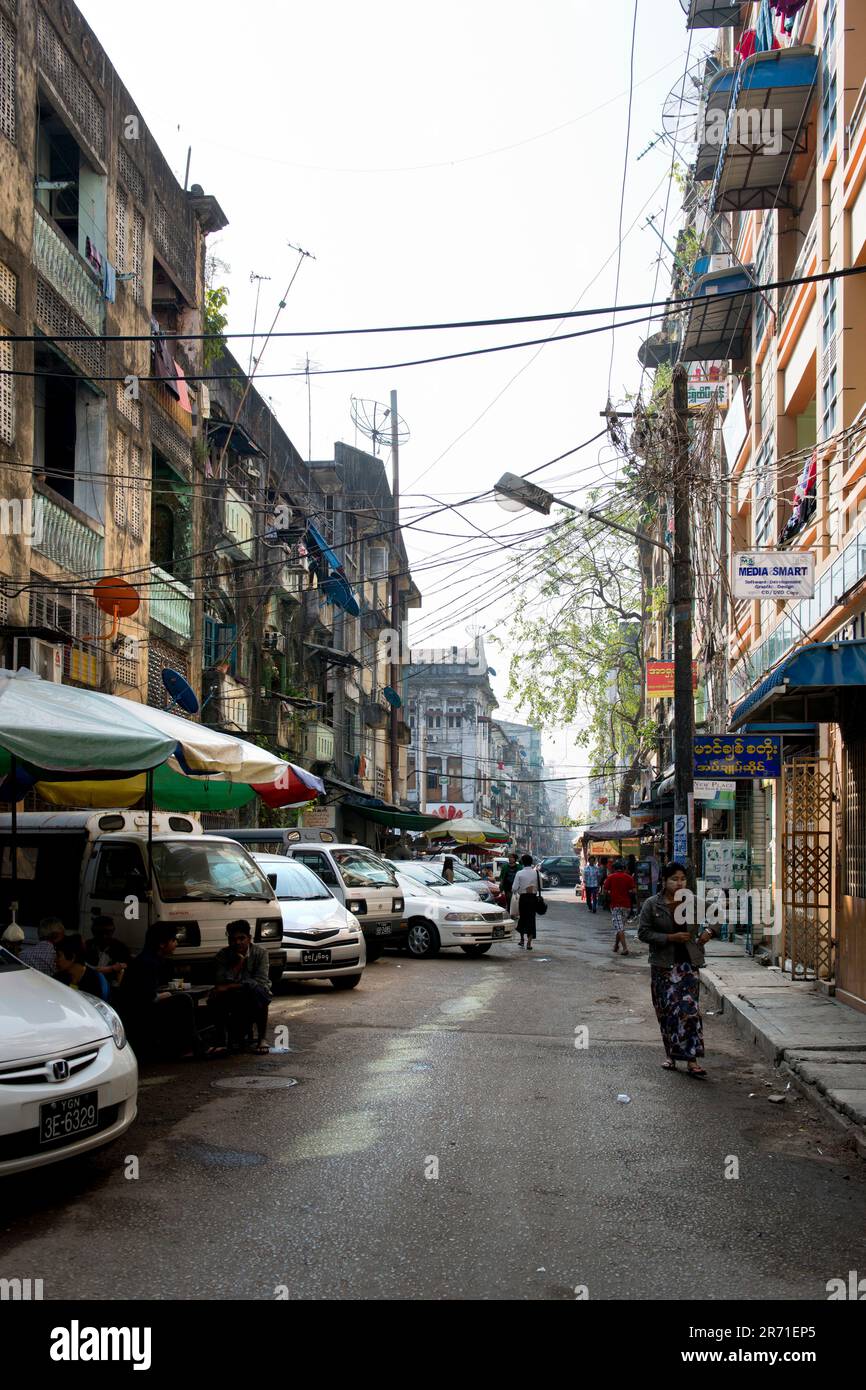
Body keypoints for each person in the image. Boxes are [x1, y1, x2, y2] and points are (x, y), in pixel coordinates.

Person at [637, 862, 716, 1078]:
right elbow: (643, 933)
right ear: (664, 880)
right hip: (663, 966)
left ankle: (692, 1060)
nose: (679, 883)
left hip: (688, 965)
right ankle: (671, 1055)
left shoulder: (693, 903)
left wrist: (708, 932)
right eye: (674, 879)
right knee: (667, 1013)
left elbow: (717, 912)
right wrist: (669, 938)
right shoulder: (652, 905)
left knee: (689, 1012)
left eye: (683, 879)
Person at [119, 923, 213, 1060]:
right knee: (183, 1000)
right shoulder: (147, 963)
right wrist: (168, 994)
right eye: (174, 940)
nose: (176, 943)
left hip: (141, 1010)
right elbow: (149, 998)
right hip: (138, 1015)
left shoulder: (150, 960)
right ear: (162, 944)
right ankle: (196, 1047)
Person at [208, 922, 272, 1054]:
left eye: (241, 938)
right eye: (233, 939)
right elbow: (220, 982)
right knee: (215, 996)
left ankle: (262, 1038)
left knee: (260, 992)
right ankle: (221, 1041)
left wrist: (230, 985)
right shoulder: (222, 955)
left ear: (249, 938)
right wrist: (239, 963)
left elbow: (259, 981)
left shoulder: (261, 953)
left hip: (253, 993)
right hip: (232, 995)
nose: (237, 942)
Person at [55, 935, 110, 1001]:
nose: (55, 960)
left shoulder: (95, 982)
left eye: (58, 956)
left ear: (72, 957)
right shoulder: (59, 977)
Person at [85, 916, 131, 990]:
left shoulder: (121, 948)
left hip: (112, 989)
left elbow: (127, 969)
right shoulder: (87, 946)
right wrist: (112, 968)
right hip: (89, 986)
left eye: (108, 933)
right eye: (100, 933)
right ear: (94, 933)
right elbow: (84, 968)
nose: (104, 936)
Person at [604, 859, 637, 956]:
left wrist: (611, 893)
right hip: (626, 906)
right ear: (624, 868)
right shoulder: (629, 878)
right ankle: (616, 946)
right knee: (620, 927)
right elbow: (634, 891)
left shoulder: (610, 877)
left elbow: (605, 891)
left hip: (615, 905)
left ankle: (625, 948)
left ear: (614, 869)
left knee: (619, 928)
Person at [512, 852, 542, 950]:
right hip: (533, 898)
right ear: (531, 862)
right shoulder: (536, 873)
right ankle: (529, 942)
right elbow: (541, 886)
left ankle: (522, 940)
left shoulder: (519, 873)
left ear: (522, 863)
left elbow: (514, 888)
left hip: (523, 898)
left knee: (523, 918)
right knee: (531, 920)